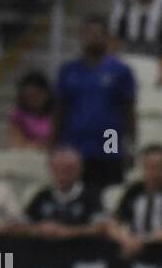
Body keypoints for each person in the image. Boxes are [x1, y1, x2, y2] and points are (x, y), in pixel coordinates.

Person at [55, 15, 136, 190]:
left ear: (106, 37)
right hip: (76, 139)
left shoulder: (120, 71)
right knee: (77, 190)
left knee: (110, 187)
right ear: (82, 36)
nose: (93, 37)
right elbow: (60, 109)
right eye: (89, 33)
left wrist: (129, 144)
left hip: (109, 136)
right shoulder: (69, 71)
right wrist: (54, 144)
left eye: (98, 34)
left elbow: (128, 110)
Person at [19, 146, 107, 239]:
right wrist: (38, 229)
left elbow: (102, 227)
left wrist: (68, 232)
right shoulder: (42, 196)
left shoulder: (91, 196)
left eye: (68, 169)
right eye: (58, 169)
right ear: (51, 169)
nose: (63, 174)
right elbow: (20, 224)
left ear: (79, 169)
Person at [108, 143, 162, 256]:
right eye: (151, 167)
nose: (156, 173)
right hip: (134, 246)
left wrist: (144, 241)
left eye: (159, 167)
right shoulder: (134, 191)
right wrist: (124, 238)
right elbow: (114, 221)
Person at [6, 71, 55, 149]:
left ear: (46, 94)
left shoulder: (56, 114)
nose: (31, 101)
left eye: (35, 96)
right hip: (28, 155)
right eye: (27, 98)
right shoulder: (18, 115)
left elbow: (59, 141)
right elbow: (15, 143)